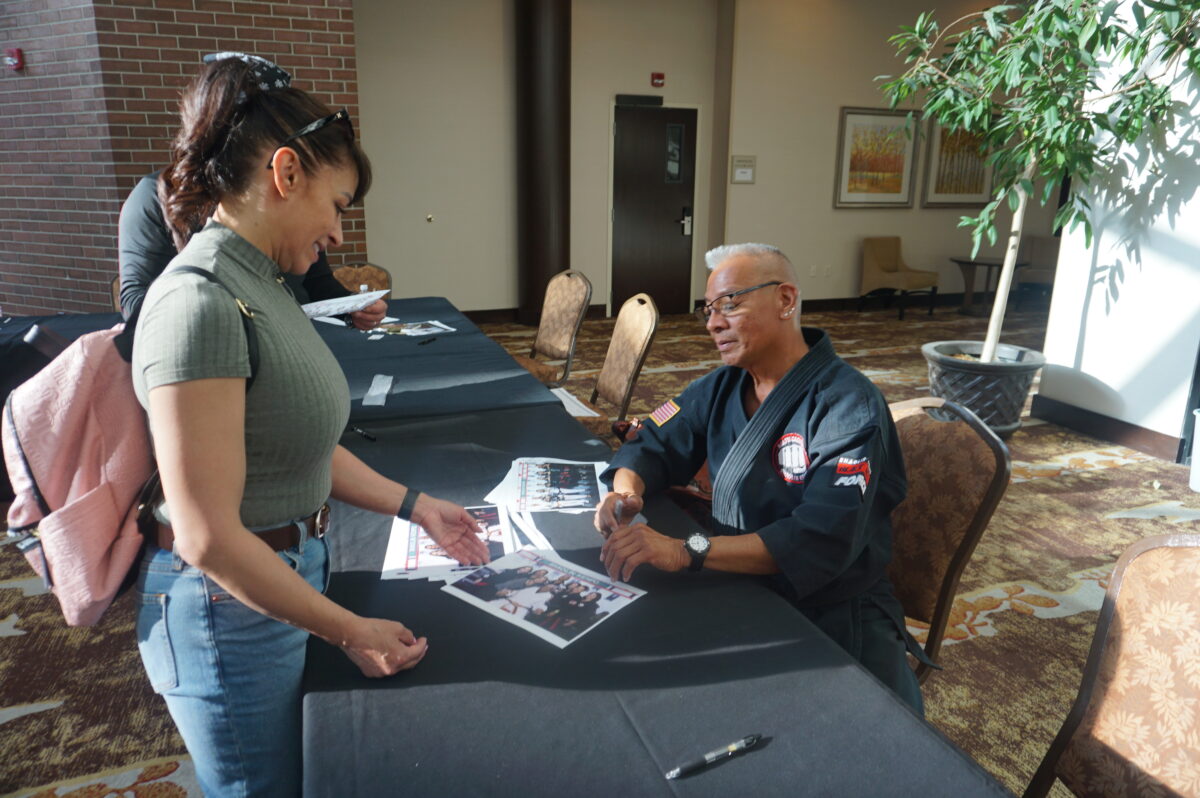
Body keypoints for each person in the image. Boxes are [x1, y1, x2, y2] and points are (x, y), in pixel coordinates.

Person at [130, 56, 489, 796]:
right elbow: (204, 536)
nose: (336, 229)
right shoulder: (199, 302)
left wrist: (415, 506)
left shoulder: (263, 282)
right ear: (285, 174)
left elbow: (299, 443)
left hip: (282, 576)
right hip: (227, 609)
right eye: (337, 202)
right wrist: (351, 629)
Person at [592, 242, 926, 713]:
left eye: (730, 303)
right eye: (709, 310)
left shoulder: (847, 405)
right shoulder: (720, 384)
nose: (712, 323)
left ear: (786, 300)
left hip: (826, 608)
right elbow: (653, 438)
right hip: (736, 581)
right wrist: (625, 491)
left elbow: (818, 537)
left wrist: (685, 550)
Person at [117, 52, 387, 331]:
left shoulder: (289, 214)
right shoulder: (157, 204)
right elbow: (138, 302)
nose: (337, 236)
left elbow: (316, 284)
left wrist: (351, 307)